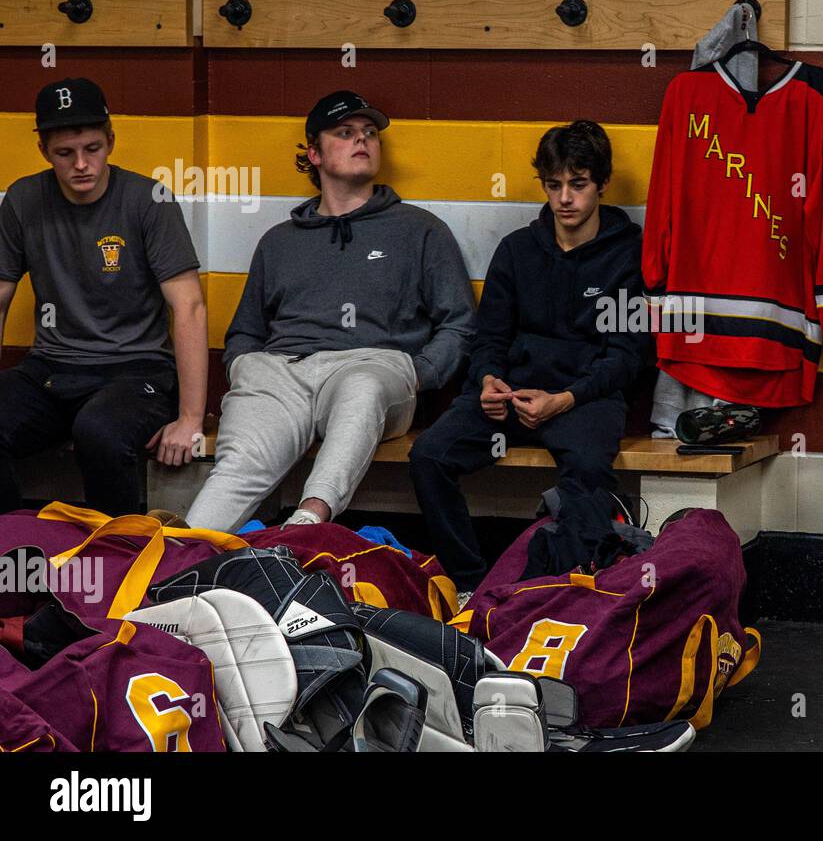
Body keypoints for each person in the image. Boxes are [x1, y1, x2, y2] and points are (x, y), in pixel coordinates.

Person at [183, 91, 475, 532]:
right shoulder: (280, 240)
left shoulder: (419, 230)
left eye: (370, 133)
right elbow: (245, 330)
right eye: (345, 133)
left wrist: (420, 373)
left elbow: (460, 322)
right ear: (314, 153)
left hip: (372, 367)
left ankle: (307, 523)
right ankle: (177, 563)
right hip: (282, 373)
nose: (362, 140)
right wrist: (245, 365)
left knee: (362, 385)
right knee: (237, 470)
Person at [409, 121, 648, 607]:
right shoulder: (518, 249)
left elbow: (627, 356)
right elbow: (489, 337)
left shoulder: (630, 254)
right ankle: (471, 584)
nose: (565, 198)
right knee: (429, 454)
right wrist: (488, 381)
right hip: (513, 395)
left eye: (578, 185)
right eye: (554, 184)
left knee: (586, 474)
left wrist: (564, 399)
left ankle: (554, 595)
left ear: (601, 183)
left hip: (585, 397)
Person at [0, 78, 208, 516]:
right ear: (43, 150)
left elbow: (188, 305)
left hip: (136, 372)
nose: (81, 164)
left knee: (99, 432)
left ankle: (114, 562)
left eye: (92, 148)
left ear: (111, 141)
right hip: (53, 369)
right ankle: (15, 552)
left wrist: (190, 419)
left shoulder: (149, 200)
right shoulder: (23, 199)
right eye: (64, 153)